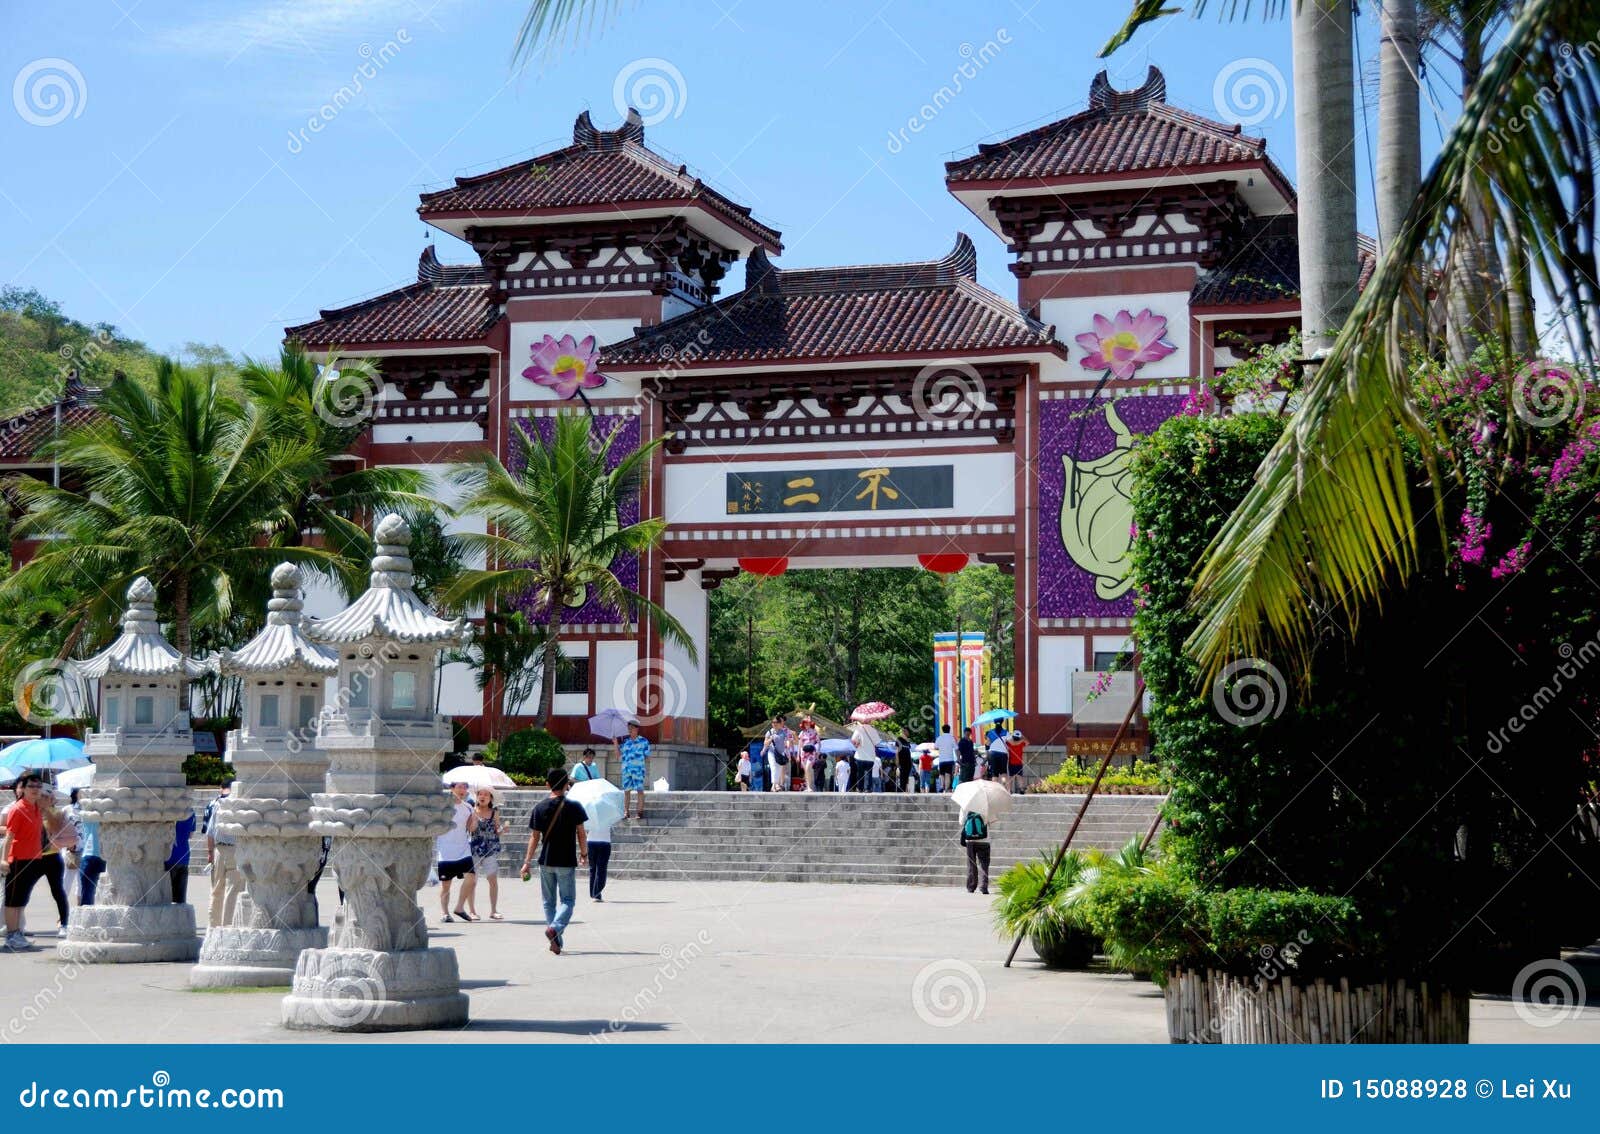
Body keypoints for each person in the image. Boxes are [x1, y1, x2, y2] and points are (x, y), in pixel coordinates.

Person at [521, 768, 589, 955]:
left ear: (547, 785)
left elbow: (534, 837)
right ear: (567, 785)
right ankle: (555, 928)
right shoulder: (574, 806)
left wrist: (527, 862)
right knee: (568, 900)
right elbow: (581, 833)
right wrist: (584, 854)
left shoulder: (539, 807)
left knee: (548, 902)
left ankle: (555, 938)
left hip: (546, 860)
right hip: (566, 860)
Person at [1, 775, 47, 949]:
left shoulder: (35, 807)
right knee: (12, 901)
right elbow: (9, 837)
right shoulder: (18, 808)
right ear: (23, 789)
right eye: (31, 786)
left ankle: (17, 933)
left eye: (38, 786)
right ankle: (11, 936)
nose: (35, 789)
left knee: (21, 900)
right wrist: (4, 860)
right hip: (17, 860)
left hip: (32, 859)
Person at [436, 781, 476, 923]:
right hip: (446, 850)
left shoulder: (468, 807)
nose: (462, 790)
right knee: (446, 885)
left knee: (471, 878)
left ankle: (459, 907)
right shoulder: (444, 806)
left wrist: (475, 817)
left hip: (463, 849)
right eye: (459, 787)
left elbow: (471, 829)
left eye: (465, 787)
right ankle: (444, 913)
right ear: (452, 789)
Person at [203, 786, 242, 928]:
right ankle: (226, 926)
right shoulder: (241, 807)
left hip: (219, 849)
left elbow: (210, 832)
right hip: (235, 850)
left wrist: (210, 852)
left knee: (216, 890)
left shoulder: (218, 805)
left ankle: (213, 926)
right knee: (232, 890)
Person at [37, 790, 74, 935]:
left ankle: (64, 923)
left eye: (48, 797)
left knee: (57, 891)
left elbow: (60, 831)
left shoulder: (57, 814)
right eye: (42, 797)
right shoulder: (32, 812)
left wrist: (46, 812)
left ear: (52, 800)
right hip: (33, 858)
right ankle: (17, 925)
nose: (44, 799)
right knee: (23, 890)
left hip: (52, 857)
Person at [466, 788, 507, 920]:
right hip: (474, 849)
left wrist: (503, 829)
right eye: (480, 794)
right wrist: (474, 818)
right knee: (472, 881)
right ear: (477, 797)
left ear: (490, 798)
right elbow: (470, 829)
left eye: (486, 795)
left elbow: (497, 831)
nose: (482, 797)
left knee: (492, 879)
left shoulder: (494, 812)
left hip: (490, 850)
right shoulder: (471, 811)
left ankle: (493, 911)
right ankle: (472, 911)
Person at [72, 790, 104, 907]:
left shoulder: (84, 813)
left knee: (89, 895)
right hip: (96, 856)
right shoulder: (97, 814)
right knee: (90, 895)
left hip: (92, 856)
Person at [614, 720, 650, 820]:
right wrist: (615, 742)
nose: (629, 730)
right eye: (628, 728)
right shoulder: (626, 742)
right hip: (626, 770)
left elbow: (647, 756)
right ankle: (626, 812)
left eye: (632, 728)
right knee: (626, 791)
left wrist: (638, 763)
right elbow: (618, 755)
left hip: (638, 770)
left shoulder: (644, 741)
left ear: (637, 729)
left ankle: (639, 812)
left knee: (640, 790)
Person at [586, 791, 615, 902]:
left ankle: (594, 893)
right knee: (601, 868)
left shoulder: (588, 809)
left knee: (593, 868)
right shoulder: (610, 810)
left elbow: (585, 826)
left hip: (591, 841)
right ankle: (597, 892)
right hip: (604, 841)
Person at [167, 805, 196, 905]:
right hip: (184, 855)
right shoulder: (191, 812)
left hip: (169, 856)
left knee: (167, 897)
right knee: (181, 899)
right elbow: (191, 835)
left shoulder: (168, 810)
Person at [960, 807, 992, 894]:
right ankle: (983, 887)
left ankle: (971, 886)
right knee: (984, 864)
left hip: (970, 840)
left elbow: (961, 822)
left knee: (971, 864)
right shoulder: (986, 806)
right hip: (984, 840)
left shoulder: (965, 806)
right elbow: (990, 821)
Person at [762, 715, 791, 793]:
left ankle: (774, 786)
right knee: (774, 767)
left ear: (779, 723)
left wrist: (788, 745)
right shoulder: (769, 732)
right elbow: (765, 743)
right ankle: (775, 785)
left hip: (780, 754)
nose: (774, 724)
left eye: (776, 722)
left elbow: (787, 740)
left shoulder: (783, 732)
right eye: (773, 722)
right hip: (772, 753)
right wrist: (770, 739)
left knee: (778, 769)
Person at [935, 724, 957, 793]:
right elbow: (956, 748)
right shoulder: (952, 738)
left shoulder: (939, 738)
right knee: (948, 774)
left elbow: (935, 747)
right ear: (949, 730)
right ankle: (946, 789)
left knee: (942, 774)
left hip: (941, 760)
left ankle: (942, 786)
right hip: (950, 760)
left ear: (942, 730)